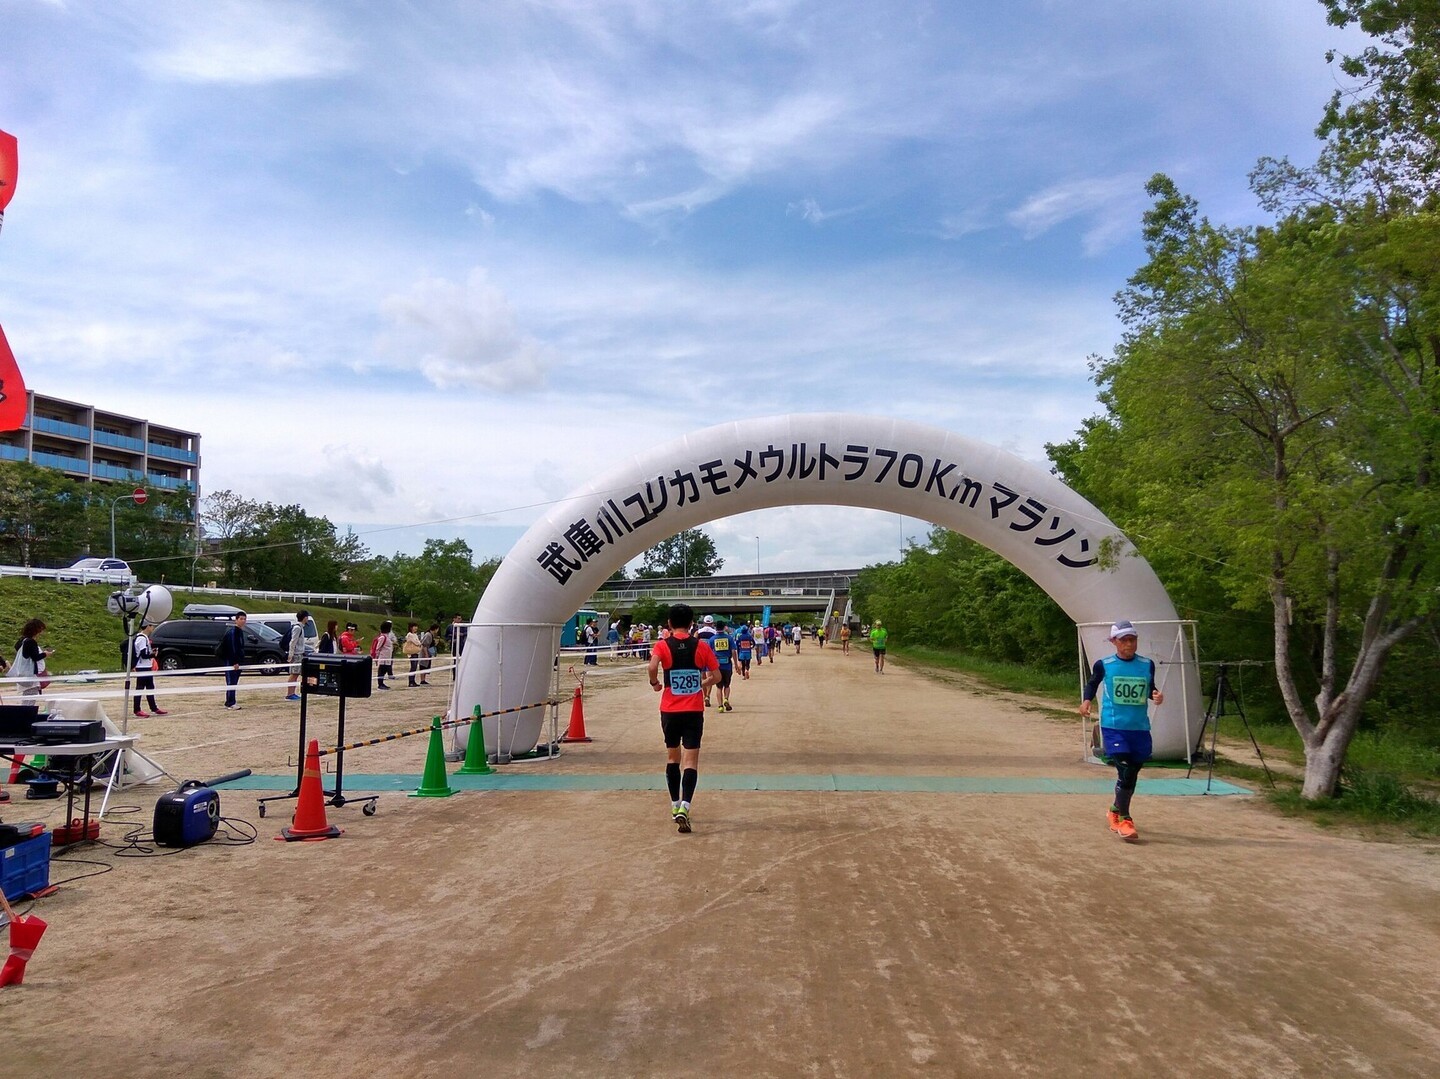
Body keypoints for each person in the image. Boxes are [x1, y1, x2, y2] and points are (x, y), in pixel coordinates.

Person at [1080, 620, 1165, 842]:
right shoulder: (1104, 664)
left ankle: (1114, 809)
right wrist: (1086, 701)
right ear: (1114, 642)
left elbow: (1150, 689)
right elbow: (1093, 682)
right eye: (1124, 640)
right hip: (1113, 726)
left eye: (1132, 639)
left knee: (1132, 772)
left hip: (1139, 727)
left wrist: (1156, 695)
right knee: (1125, 767)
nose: (1129, 644)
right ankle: (1125, 819)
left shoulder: (1147, 664)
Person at [647, 602, 720, 834]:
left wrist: (655, 683)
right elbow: (716, 675)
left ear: (669, 624)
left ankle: (674, 804)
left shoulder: (662, 645)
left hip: (669, 710)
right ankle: (685, 807)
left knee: (672, 758)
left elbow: (652, 666)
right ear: (692, 624)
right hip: (693, 710)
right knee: (691, 761)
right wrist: (702, 682)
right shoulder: (701, 646)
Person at [130, 621, 169, 717]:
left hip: (147, 666)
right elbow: (143, 654)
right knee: (140, 688)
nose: (153, 628)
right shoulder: (141, 639)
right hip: (142, 667)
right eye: (152, 626)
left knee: (150, 688)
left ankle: (154, 708)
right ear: (147, 626)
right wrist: (152, 654)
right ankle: (137, 709)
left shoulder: (145, 638)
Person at [11, 618, 52, 698]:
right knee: (30, 699)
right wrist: (45, 654)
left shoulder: (22, 641)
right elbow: (35, 657)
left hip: (23, 673)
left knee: (27, 697)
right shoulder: (30, 642)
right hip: (31, 674)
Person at [284, 610, 315, 700]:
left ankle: (292, 693)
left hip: (300, 653)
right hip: (296, 654)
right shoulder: (297, 628)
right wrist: (291, 654)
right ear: (304, 618)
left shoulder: (300, 627)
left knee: (296, 674)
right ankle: (290, 694)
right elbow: (293, 642)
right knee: (294, 674)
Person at [220, 612, 247, 710]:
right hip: (232, 661)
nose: (243, 621)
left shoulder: (240, 631)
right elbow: (232, 648)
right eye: (241, 619)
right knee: (231, 682)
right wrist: (234, 661)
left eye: (244, 619)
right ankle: (230, 702)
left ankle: (230, 701)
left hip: (238, 661)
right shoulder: (233, 632)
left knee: (234, 682)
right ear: (236, 620)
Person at [711, 618, 735, 711]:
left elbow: (710, 653)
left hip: (717, 666)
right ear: (724, 627)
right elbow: (733, 651)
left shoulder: (712, 639)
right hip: (727, 665)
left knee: (719, 687)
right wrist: (736, 664)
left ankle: (720, 706)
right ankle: (726, 699)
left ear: (716, 627)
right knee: (727, 685)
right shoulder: (729, 638)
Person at [695, 614, 718, 706]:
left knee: (702, 677)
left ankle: (704, 695)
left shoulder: (698, 632)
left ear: (704, 623)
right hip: (710, 657)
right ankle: (708, 695)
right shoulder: (715, 632)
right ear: (712, 623)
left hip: (699, 658)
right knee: (710, 678)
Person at [371, 619, 397, 689]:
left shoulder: (387, 636)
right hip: (383, 657)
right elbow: (378, 647)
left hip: (387, 657)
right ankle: (380, 684)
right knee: (382, 670)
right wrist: (376, 657)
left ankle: (382, 683)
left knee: (385, 670)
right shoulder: (383, 637)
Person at [447, 615, 467, 681]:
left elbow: (466, 632)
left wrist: (462, 634)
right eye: (458, 618)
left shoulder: (463, 626)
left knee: (463, 660)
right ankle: (455, 676)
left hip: (461, 644)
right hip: (454, 645)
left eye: (460, 619)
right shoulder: (450, 627)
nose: (460, 620)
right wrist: (450, 639)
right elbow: (446, 636)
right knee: (455, 660)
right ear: (454, 619)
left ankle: (462, 675)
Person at [403, 621, 423, 687]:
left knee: (414, 667)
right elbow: (417, 643)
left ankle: (413, 681)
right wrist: (419, 643)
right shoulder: (410, 635)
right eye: (414, 627)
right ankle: (411, 681)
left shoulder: (415, 634)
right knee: (413, 667)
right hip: (412, 653)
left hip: (416, 652)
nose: (415, 628)